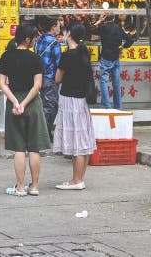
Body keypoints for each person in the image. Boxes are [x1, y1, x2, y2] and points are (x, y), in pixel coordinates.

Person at [0, 23, 50, 197]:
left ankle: (20, 187)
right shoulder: (35, 59)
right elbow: (38, 85)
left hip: (14, 101)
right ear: (27, 40)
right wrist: (26, 103)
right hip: (33, 103)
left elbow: (3, 84)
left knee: (19, 148)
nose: (35, 40)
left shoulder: (6, 57)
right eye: (34, 38)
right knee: (34, 148)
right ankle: (34, 187)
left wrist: (16, 102)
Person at [53, 23, 97, 190]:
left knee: (76, 142)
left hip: (70, 100)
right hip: (82, 101)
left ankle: (76, 181)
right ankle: (79, 179)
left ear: (69, 34)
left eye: (64, 31)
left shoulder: (68, 55)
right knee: (83, 141)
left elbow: (58, 78)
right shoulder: (84, 53)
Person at [91, 11, 134, 109]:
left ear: (105, 18)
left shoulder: (103, 28)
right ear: (114, 19)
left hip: (105, 57)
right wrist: (123, 47)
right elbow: (130, 40)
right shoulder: (118, 29)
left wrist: (99, 21)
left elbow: (91, 29)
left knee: (104, 81)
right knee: (116, 83)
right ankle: (118, 107)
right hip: (115, 58)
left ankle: (106, 106)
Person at [33, 16, 62, 139]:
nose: (59, 28)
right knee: (51, 105)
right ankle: (44, 133)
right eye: (58, 25)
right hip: (50, 78)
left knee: (42, 104)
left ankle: (41, 131)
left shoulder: (38, 40)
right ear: (53, 27)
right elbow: (58, 63)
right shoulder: (54, 43)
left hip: (38, 77)